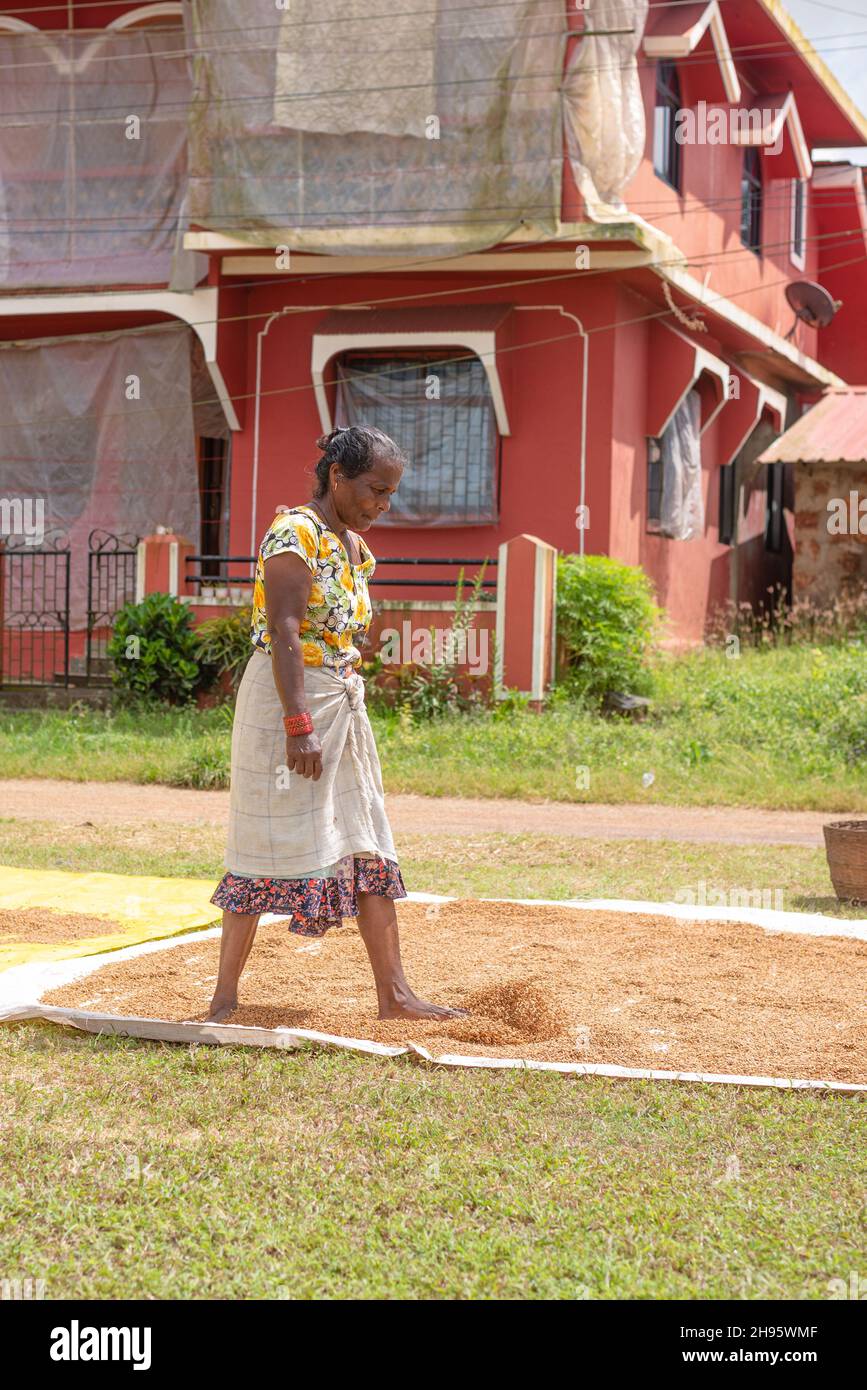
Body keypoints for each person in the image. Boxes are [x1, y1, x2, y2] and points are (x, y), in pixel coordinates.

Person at [206, 425, 466, 1024]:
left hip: (340, 704)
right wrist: (299, 723)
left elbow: (341, 626)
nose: (382, 504)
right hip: (284, 704)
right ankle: (223, 999)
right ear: (337, 476)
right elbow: (285, 630)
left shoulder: (352, 546)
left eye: (391, 494)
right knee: (261, 839)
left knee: (367, 837)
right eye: (375, 489)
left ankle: (395, 996)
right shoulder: (292, 533)